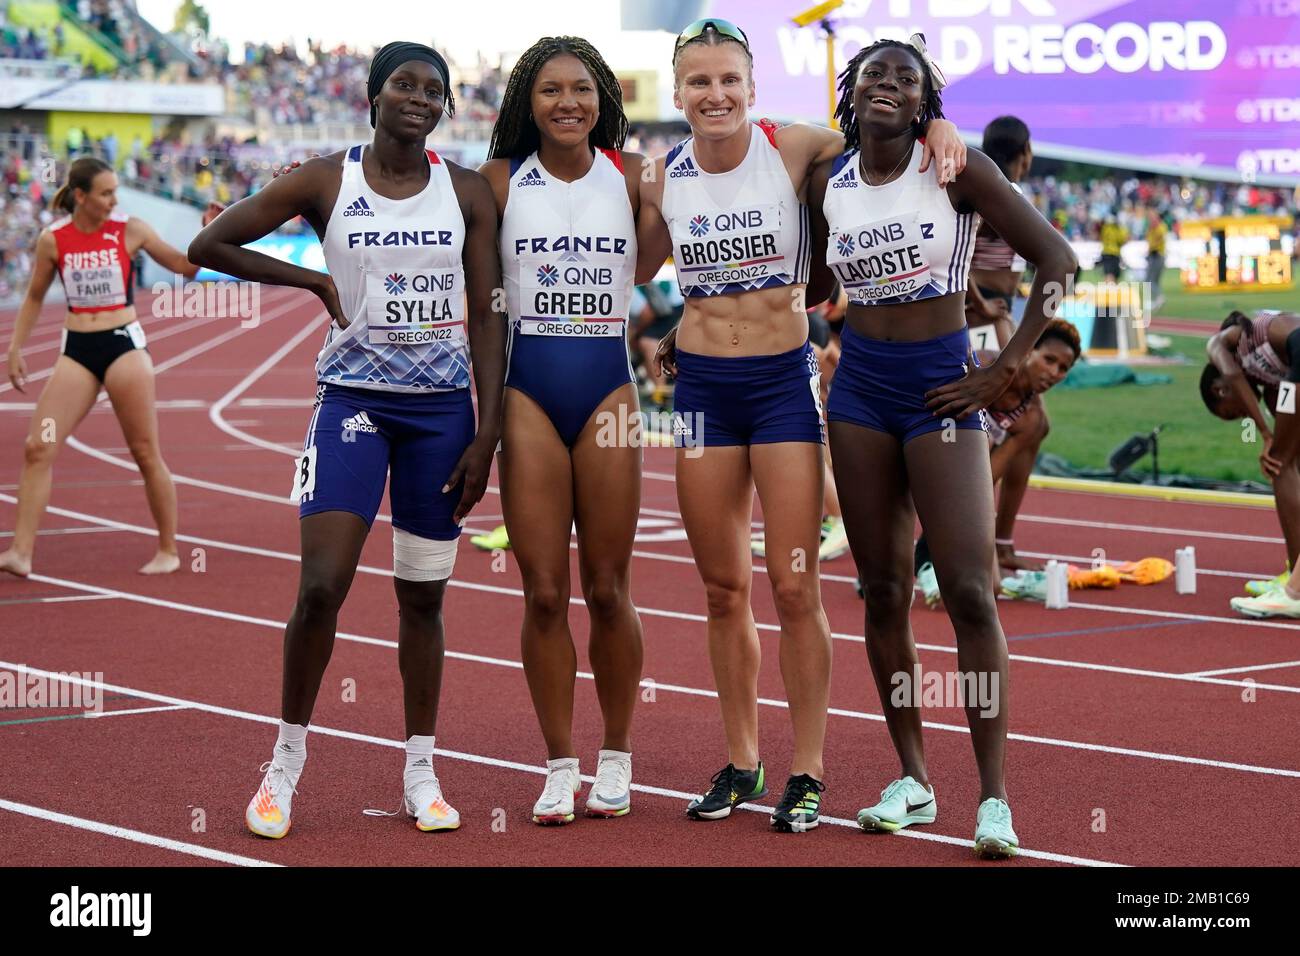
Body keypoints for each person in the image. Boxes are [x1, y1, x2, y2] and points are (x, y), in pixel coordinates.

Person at [643, 18, 967, 832]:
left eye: (728, 80)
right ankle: (742, 760)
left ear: (753, 88)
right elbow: (621, 263)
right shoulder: (657, 177)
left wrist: (941, 123)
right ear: (676, 93)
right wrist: (660, 337)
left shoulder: (793, 149)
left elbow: (886, 117)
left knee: (794, 584)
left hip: (782, 386)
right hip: (703, 395)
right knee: (722, 589)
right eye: (698, 82)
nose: (714, 95)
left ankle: (809, 769)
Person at [187, 42, 504, 837]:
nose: (419, 98)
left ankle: (420, 772)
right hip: (351, 403)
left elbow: (490, 310)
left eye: (434, 89)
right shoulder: (327, 178)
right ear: (373, 94)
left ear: (444, 107)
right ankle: (284, 765)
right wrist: (311, 280)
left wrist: (488, 428)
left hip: (440, 413)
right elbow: (208, 246)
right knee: (321, 587)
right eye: (405, 84)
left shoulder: (465, 193)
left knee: (422, 599)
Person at [809, 34, 1077, 856]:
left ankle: (993, 798)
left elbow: (1058, 260)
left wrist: (1004, 369)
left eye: (906, 78)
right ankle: (914, 779)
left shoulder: (957, 171)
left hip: (940, 388)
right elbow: (815, 285)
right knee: (883, 590)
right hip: (858, 393)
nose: (888, 84)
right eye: (874, 74)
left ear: (927, 102)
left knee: (967, 588)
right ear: (851, 92)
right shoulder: (829, 182)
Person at [479, 35, 661, 826]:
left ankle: (616, 757)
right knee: (544, 591)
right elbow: (399, 202)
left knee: (609, 587)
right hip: (528, 394)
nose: (567, 103)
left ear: (603, 99)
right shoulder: (493, 181)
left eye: (581, 89)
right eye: (550, 90)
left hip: (606, 390)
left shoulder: (633, 177)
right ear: (528, 101)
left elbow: (652, 265)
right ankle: (559, 765)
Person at [2, 156, 207, 578]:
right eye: (106, 193)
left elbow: (185, 267)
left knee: (144, 451)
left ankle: (168, 548)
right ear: (80, 196)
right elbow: (35, 297)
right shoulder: (53, 239)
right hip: (77, 350)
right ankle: (21, 553)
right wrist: (16, 349)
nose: (115, 199)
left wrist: (207, 233)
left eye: (115, 191)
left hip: (122, 348)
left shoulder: (129, 229)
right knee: (38, 446)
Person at [914, 319, 1082, 605]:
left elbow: (986, 478)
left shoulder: (1030, 420)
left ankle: (930, 559)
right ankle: (914, 560)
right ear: (1029, 351)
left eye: (1063, 369)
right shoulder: (985, 364)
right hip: (927, 438)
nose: (1053, 373)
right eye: (1049, 360)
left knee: (990, 588)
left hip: (962, 471)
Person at [1202, 311, 1300, 616]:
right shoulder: (1271, 378)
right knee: (1288, 462)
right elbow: (1289, 415)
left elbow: (1232, 376)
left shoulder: (1219, 344)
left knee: (1278, 464)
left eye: (1233, 413)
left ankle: (1294, 584)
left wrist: (1265, 434)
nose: (1244, 413)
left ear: (1219, 392)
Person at [966, 116, 1031, 348]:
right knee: (1003, 380)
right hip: (983, 303)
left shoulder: (1004, 192)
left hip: (997, 301)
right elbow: (954, 253)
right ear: (1027, 150)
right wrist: (981, 302)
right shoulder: (993, 194)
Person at [1145, 208, 1167, 311]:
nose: (1150, 218)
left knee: (1150, 280)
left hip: (1157, 255)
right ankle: (1157, 300)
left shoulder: (1159, 227)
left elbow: (1155, 241)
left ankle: (1159, 298)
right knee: (1154, 281)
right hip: (1155, 255)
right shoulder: (1153, 228)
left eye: (1152, 216)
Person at [1099, 212, 1127, 281]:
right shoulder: (1118, 229)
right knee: (1111, 275)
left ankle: (1109, 290)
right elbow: (1123, 240)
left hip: (1107, 253)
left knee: (1110, 275)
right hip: (1113, 254)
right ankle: (1109, 290)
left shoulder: (1105, 227)